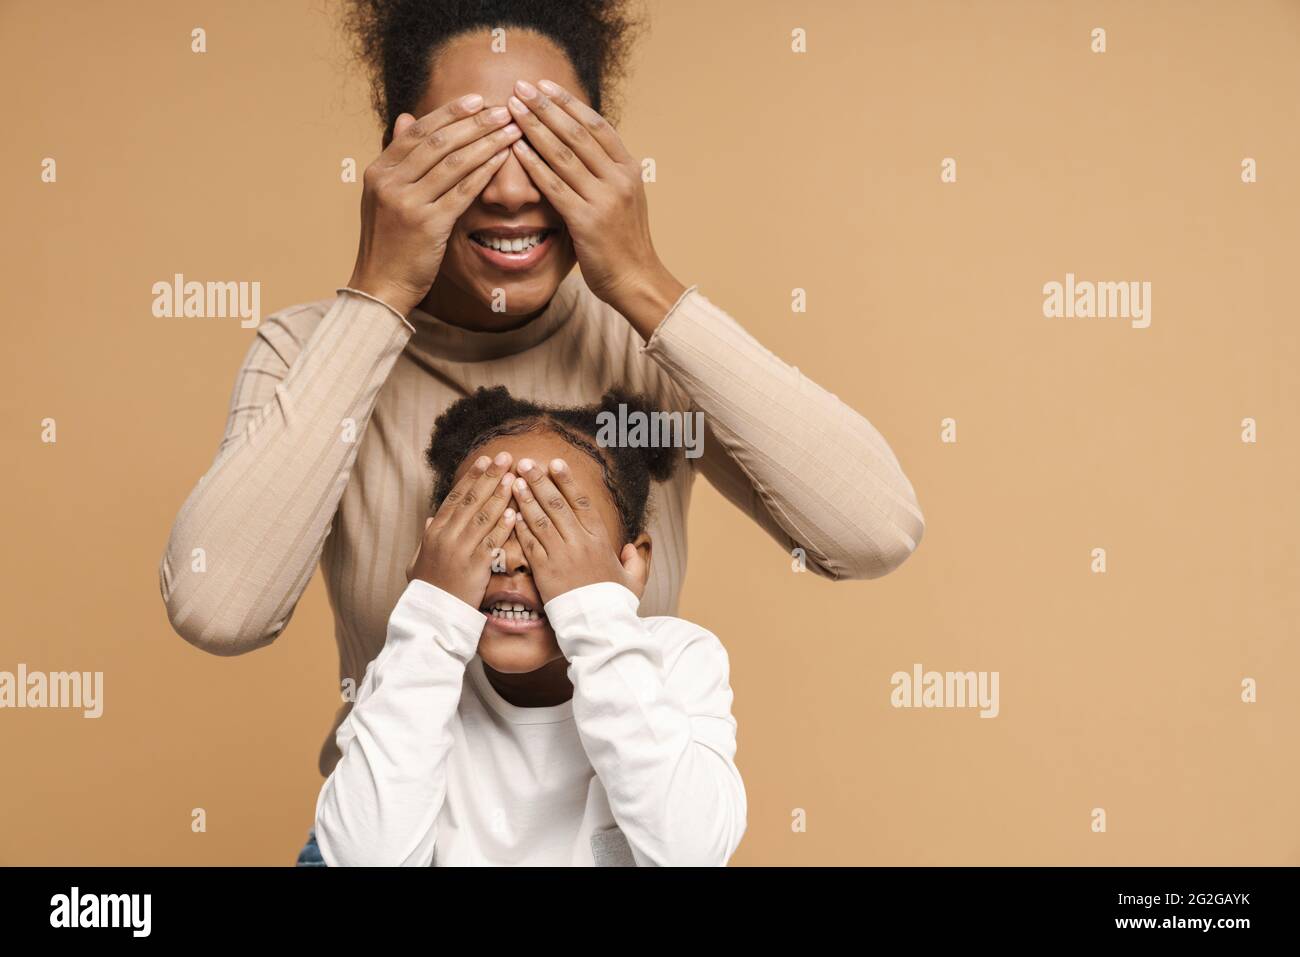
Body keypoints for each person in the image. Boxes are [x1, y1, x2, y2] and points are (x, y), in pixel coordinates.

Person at [156, 1, 924, 861]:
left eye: (548, 144)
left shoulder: (647, 344)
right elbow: (218, 608)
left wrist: (639, 279)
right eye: (471, 145)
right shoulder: (312, 350)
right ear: (398, 156)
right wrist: (378, 293)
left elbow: (874, 532)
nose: (513, 190)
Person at [313, 387, 745, 866]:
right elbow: (362, 859)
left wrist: (597, 613)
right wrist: (432, 613)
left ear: (632, 563)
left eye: (549, 531)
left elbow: (690, 853)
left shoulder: (678, 659)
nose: (510, 558)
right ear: (430, 554)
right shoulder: (413, 666)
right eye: (486, 525)